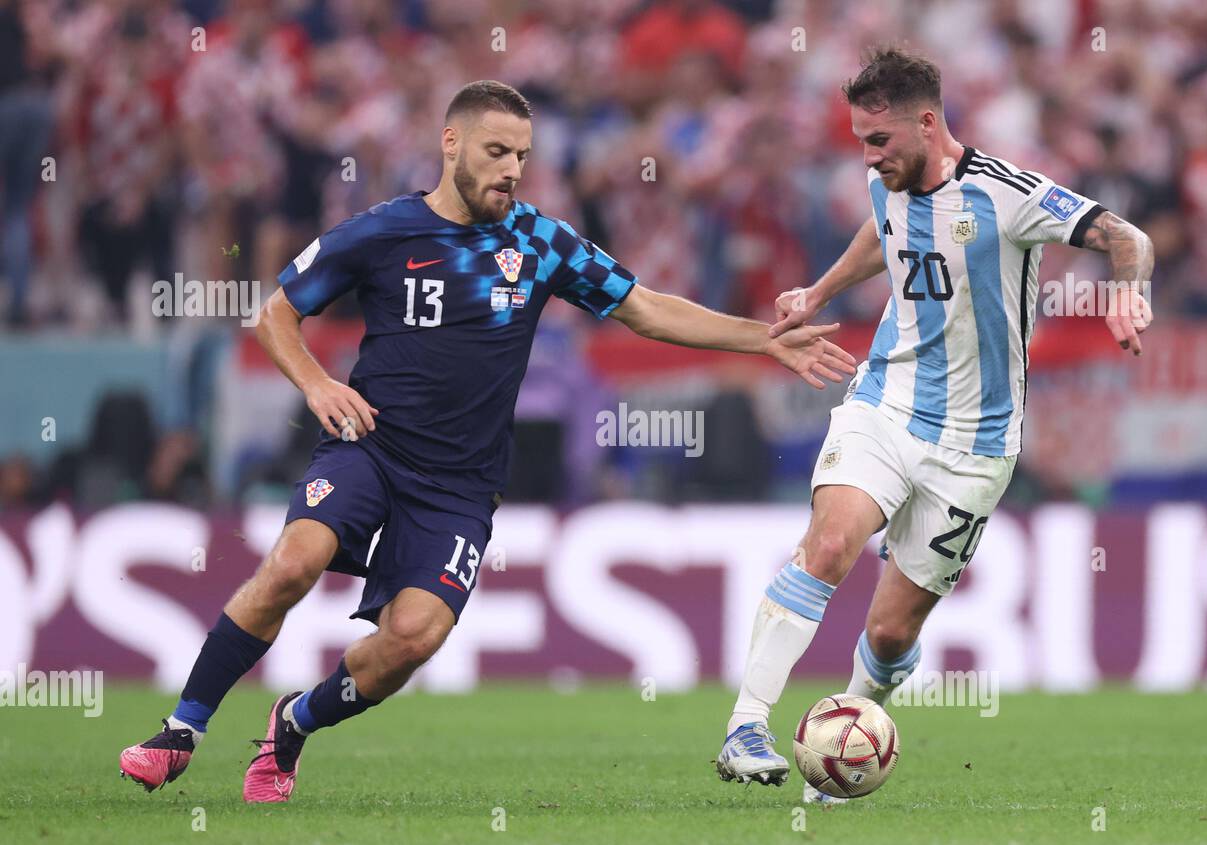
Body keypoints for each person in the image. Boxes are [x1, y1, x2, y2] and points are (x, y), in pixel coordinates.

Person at [120, 80, 856, 802]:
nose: (511, 169)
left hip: (460, 485)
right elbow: (275, 313)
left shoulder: (538, 240)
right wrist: (317, 384)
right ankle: (181, 728)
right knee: (293, 561)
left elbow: (647, 308)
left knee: (412, 637)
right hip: (369, 445)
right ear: (451, 144)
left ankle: (294, 722)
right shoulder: (383, 230)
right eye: (496, 151)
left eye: (522, 156)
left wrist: (765, 340)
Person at [713, 47, 1154, 803]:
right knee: (827, 543)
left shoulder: (1004, 193)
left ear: (927, 122)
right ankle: (747, 724)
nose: (867, 155)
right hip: (886, 402)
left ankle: (854, 725)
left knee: (889, 634)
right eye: (859, 140)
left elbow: (1128, 237)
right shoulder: (885, 179)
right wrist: (818, 293)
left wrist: (1127, 291)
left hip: (978, 446)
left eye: (878, 141)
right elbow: (881, 233)